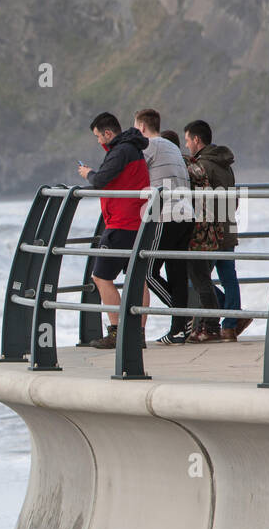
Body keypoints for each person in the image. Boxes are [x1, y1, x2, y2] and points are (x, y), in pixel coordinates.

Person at [77, 112, 150, 349]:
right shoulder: (134, 148)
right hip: (138, 222)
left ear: (108, 133)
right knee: (137, 280)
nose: (99, 141)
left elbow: (100, 181)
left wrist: (88, 173)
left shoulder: (120, 151)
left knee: (101, 277)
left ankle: (117, 332)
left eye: (99, 136)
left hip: (121, 223)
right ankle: (138, 334)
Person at [133, 109, 194, 345]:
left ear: (141, 128)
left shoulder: (149, 145)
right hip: (186, 215)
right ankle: (178, 330)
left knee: (147, 272)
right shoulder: (171, 147)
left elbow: (132, 170)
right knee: (176, 273)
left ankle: (183, 314)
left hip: (165, 215)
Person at [183, 120, 243, 343]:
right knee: (228, 277)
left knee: (198, 280)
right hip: (228, 226)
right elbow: (233, 198)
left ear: (197, 140)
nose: (187, 145)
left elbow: (200, 202)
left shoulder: (202, 166)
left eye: (188, 140)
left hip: (210, 231)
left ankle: (225, 321)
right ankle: (231, 324)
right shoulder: (225, 164)